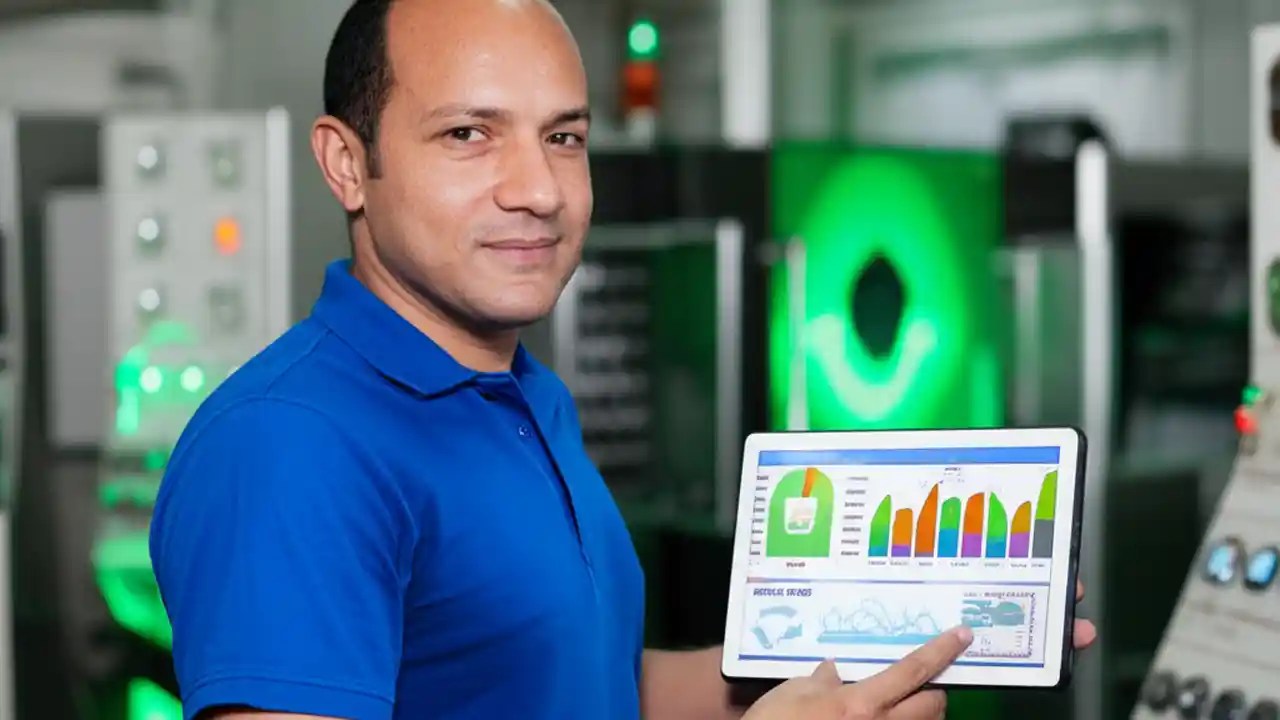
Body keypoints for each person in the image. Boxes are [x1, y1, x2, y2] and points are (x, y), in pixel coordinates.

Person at [148, 0, 1097, 718]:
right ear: (347, 164)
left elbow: (586, 680)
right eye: (469, 135)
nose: (538, 189)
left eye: (563, 137)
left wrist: (855, 655)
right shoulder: (289, 445)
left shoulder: (529, 397)